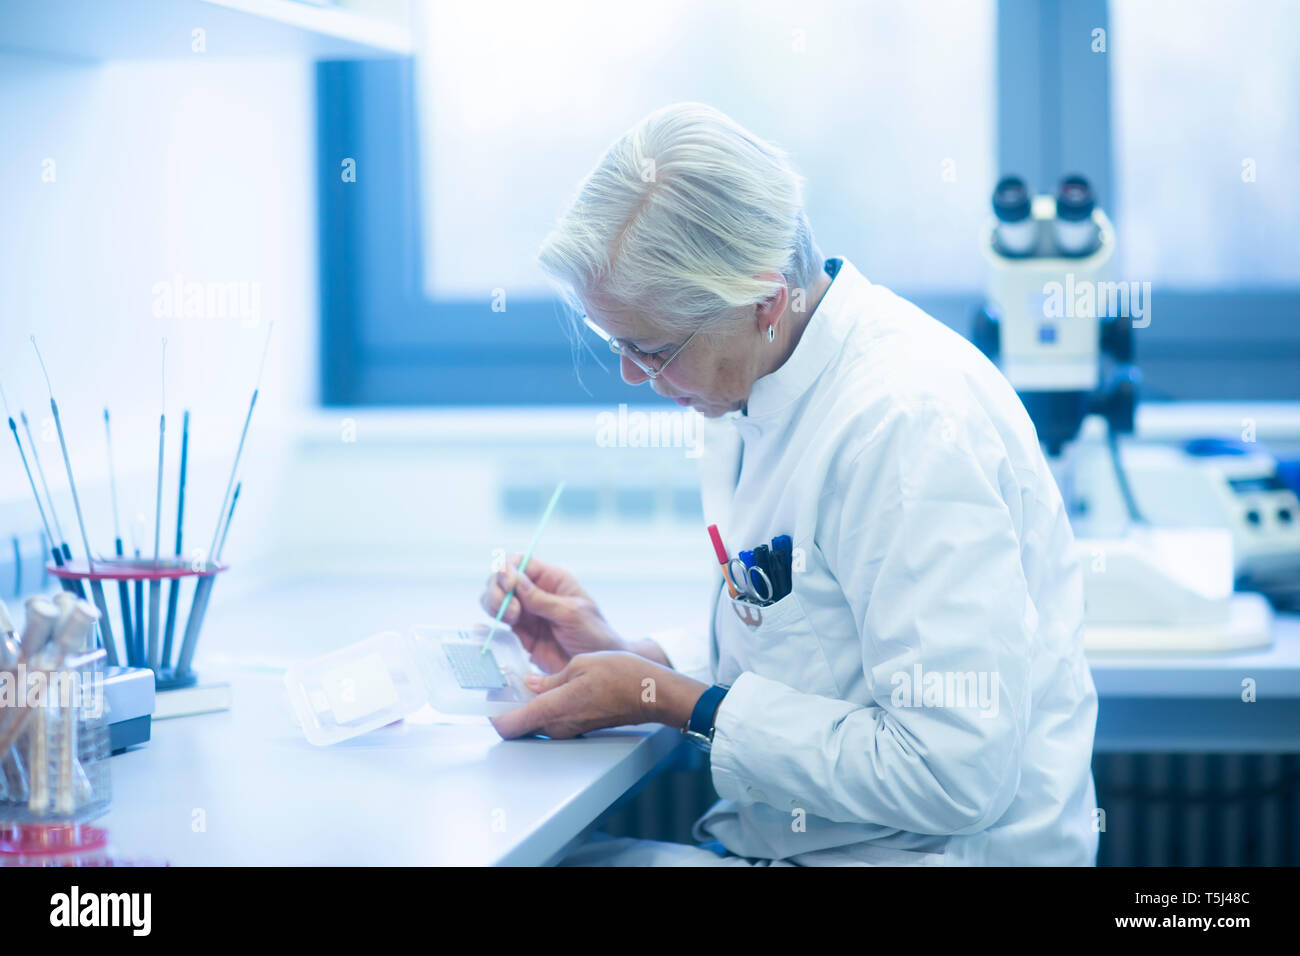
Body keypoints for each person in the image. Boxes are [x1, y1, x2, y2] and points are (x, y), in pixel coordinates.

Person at [479, 102, 1098, 866]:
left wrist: (671, 701)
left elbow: (953, 774)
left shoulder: (906, 427)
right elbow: (816, 655)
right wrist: (634, 659)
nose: (633, 376)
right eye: (619, 344)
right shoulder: (764, 380)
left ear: (765, 302)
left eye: (653, 349)